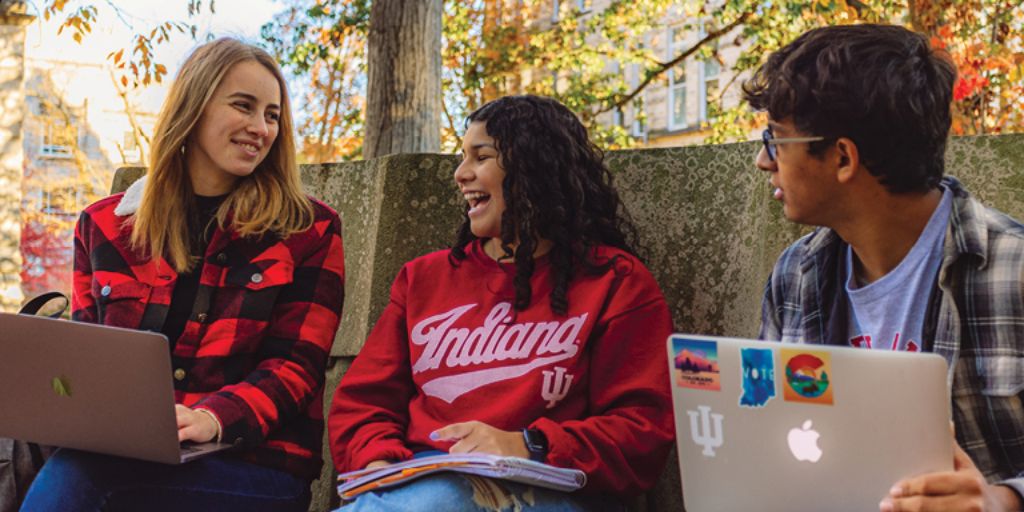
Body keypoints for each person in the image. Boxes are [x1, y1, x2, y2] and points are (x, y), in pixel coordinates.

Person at [20, 38, 345, 511]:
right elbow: (85, 362)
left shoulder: (308, 229)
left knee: (86, 476)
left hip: (252, 465)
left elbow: (296, 366)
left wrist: (213, 417)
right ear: (193, 109)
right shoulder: (104, 226)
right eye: (243, 106)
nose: (261, 128)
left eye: (272, 115)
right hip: (123, 454)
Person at [328, 95, 674, 511]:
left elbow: (642, 429)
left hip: (549, 486)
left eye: (481, 157)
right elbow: (364, 403)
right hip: (423, 480)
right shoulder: (423, 279)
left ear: (534, 167)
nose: (461, 174)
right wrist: (379, 462)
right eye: (461, 158)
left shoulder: (616, 282)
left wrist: (528, 443)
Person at [748, 24, 1024, 512]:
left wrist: (1003, 500)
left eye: (776, 140)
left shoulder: (1014, 271)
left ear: (842, 157)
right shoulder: (795, 276)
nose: (762, 160)